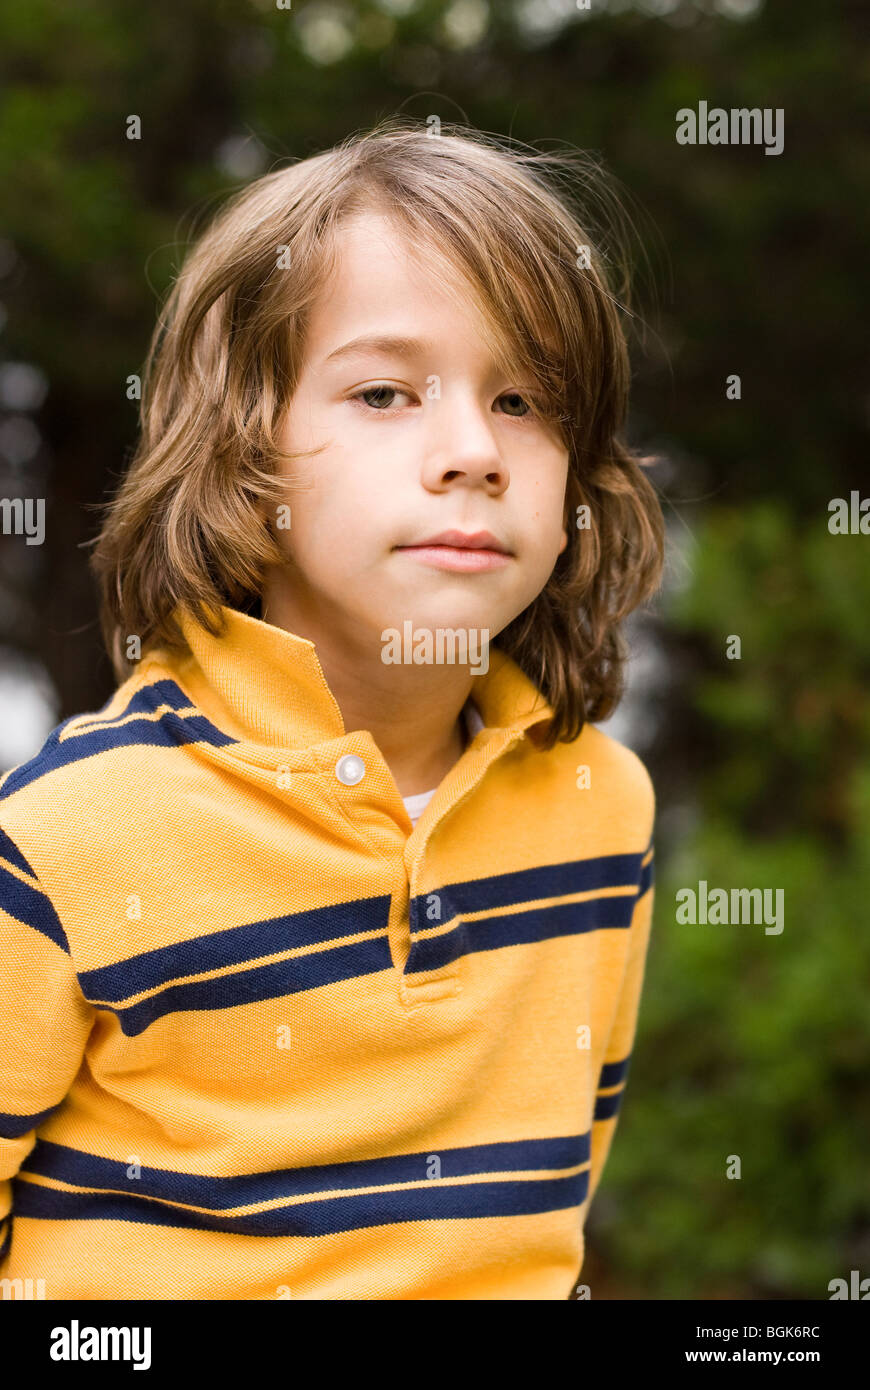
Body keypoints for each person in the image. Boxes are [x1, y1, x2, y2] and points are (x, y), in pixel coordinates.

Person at [0, 117, 664, 1300]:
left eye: (524, 398)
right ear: (243, 461)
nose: (472, 450)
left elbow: (542, 1215)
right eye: (383, 392)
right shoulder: (67, 840)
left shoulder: (600, 809)